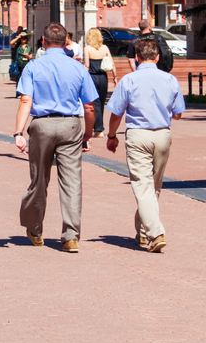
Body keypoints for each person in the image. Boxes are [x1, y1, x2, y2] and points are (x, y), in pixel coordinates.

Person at [13, 22, 98, 253]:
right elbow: (90, 106)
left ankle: (35, 229)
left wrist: (19, 132)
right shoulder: (78, 68)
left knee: (39, 179)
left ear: (44, 41)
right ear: (66, 42)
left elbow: (25, 100)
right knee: (71, 181)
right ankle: (71, 236)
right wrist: (87, 134)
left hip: (41, 125)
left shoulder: (33, 66)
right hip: (71, 124)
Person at [105, 38, 184, 253]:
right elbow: (177, 113)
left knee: (142, 185)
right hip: (163, 135)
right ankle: (143, 232)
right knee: (153, 187)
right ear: (157, 57)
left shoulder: (129, 80)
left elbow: (116, 113)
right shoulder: (170, 80)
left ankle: (155, 232)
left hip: (138, 135)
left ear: (137, 58)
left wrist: (111, 135)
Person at [82, 28, 112, 137]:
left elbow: (87, 65)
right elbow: (111, 63)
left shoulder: (87, 49)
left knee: (95, 103)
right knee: (102, 102)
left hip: (92, 77)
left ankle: (99, 129)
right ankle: (99, 128)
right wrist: (115, 76)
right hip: (103, 77)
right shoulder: (104, 48)